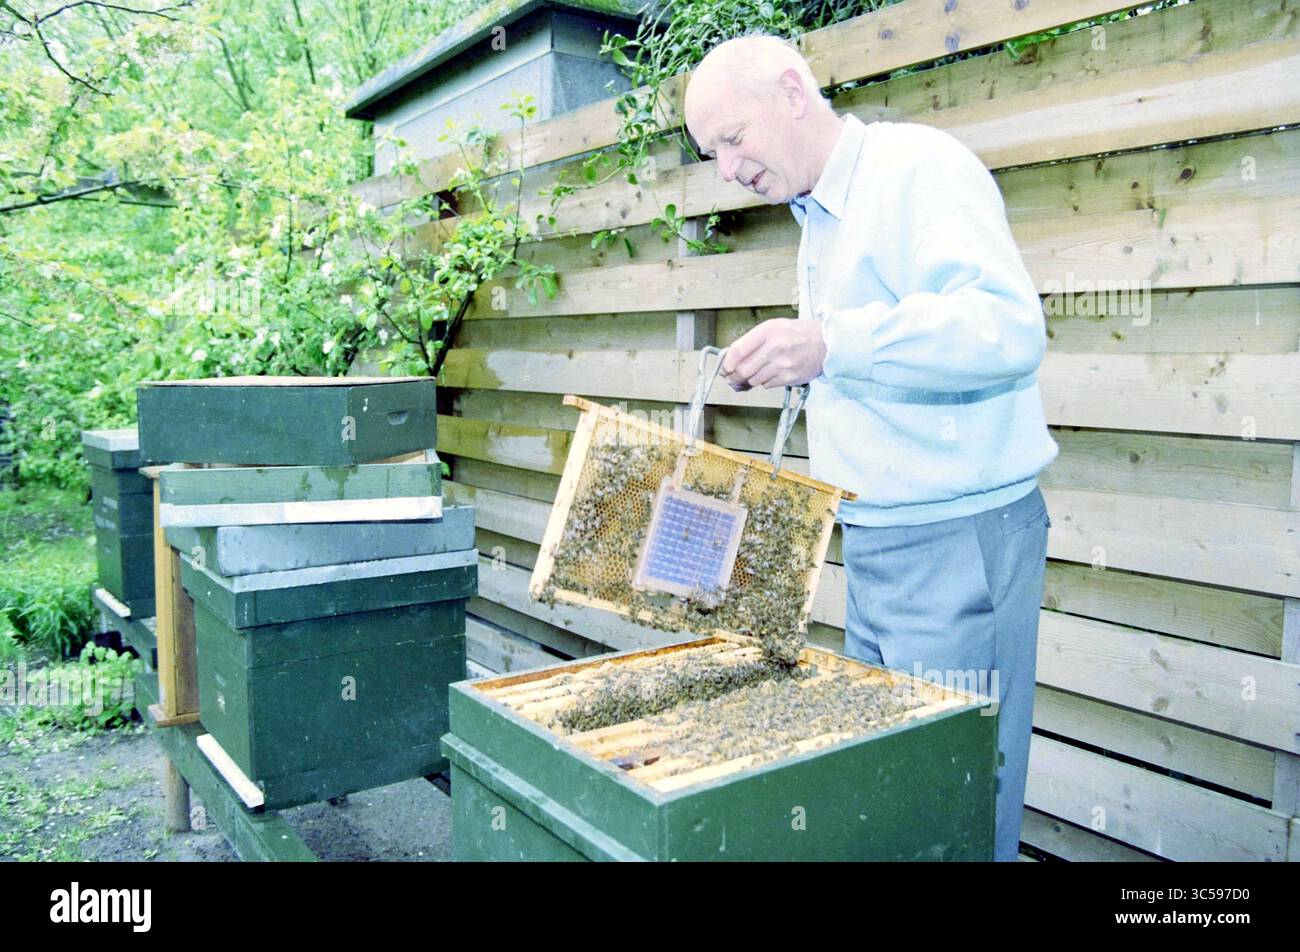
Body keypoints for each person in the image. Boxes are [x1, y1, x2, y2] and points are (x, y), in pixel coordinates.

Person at [683, 34, 1059, 862]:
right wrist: (807, 361)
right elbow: (875, 354)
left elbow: (1004, 327)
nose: (727, 171)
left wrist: (827, 344)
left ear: (791, 90)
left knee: (957, 796)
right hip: (877, 544)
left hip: (959, 543)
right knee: (899, 790)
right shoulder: (818, 215)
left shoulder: (917, 168)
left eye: (733, 139)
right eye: (712, 154)